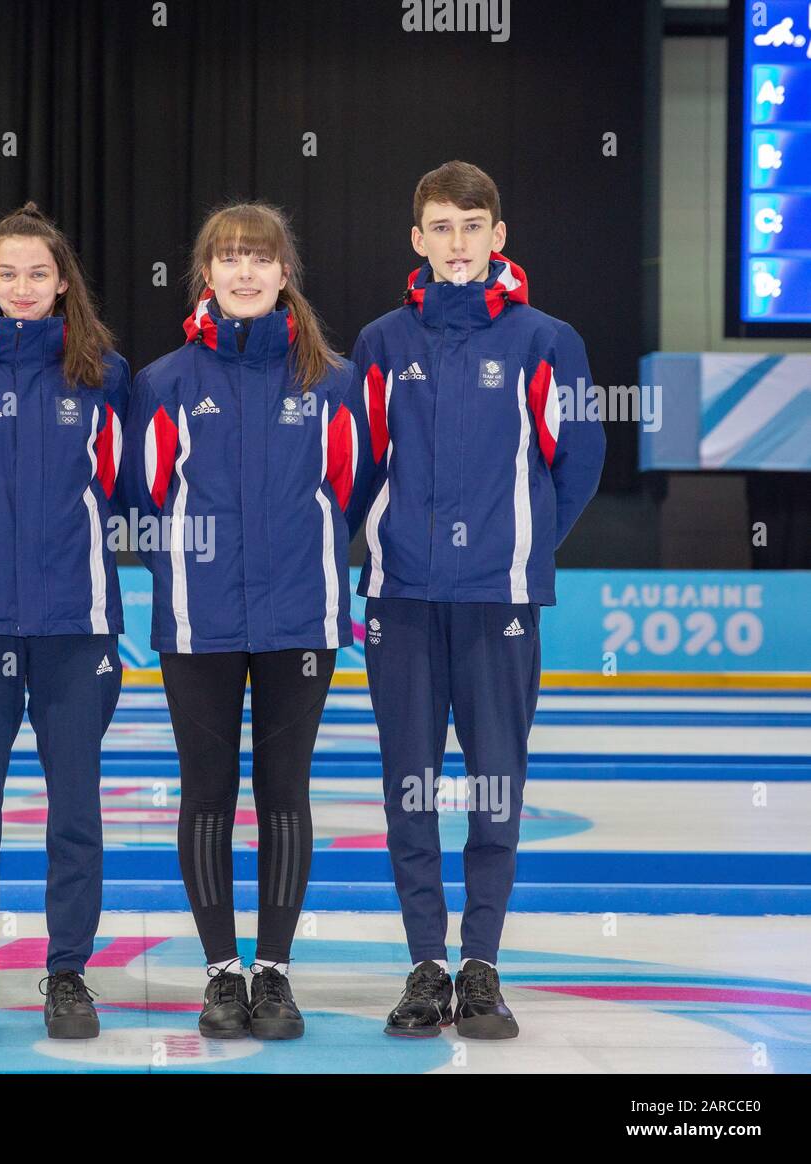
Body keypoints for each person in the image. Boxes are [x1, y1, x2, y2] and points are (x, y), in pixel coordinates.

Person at [350, 160, 605, 1040]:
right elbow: (358, 468)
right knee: (410, 787)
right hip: (404, 601)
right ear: (416, 240)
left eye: (472, 227)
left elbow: (579, 464)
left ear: (499, 237)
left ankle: (484, 966)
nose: (457, 244)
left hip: (499, 602)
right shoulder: (382, 343)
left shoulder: (547, 342)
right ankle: (426, 966)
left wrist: (519, 552)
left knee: (495, 786)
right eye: (440, 228)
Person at [121, 201, 369, 1040]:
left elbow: (354, 491)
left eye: (259, 259)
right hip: (198, 621)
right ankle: (222, 973)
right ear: (207, 275)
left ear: (284, 273)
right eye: (228, 258)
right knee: (208, 795)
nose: (245, 272)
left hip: (302, 617)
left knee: (284, 793)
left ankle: (276, 973)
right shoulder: (162, 383)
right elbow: (142, 497)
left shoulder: (333, 382)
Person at [0, 203, 130, 1040]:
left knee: (75, 805)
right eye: (7, 273)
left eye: (38, 273)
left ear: (62, 281)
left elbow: (119, 485)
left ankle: (67, 975)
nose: (22, 287)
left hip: (76, 625)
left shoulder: (104, 375)